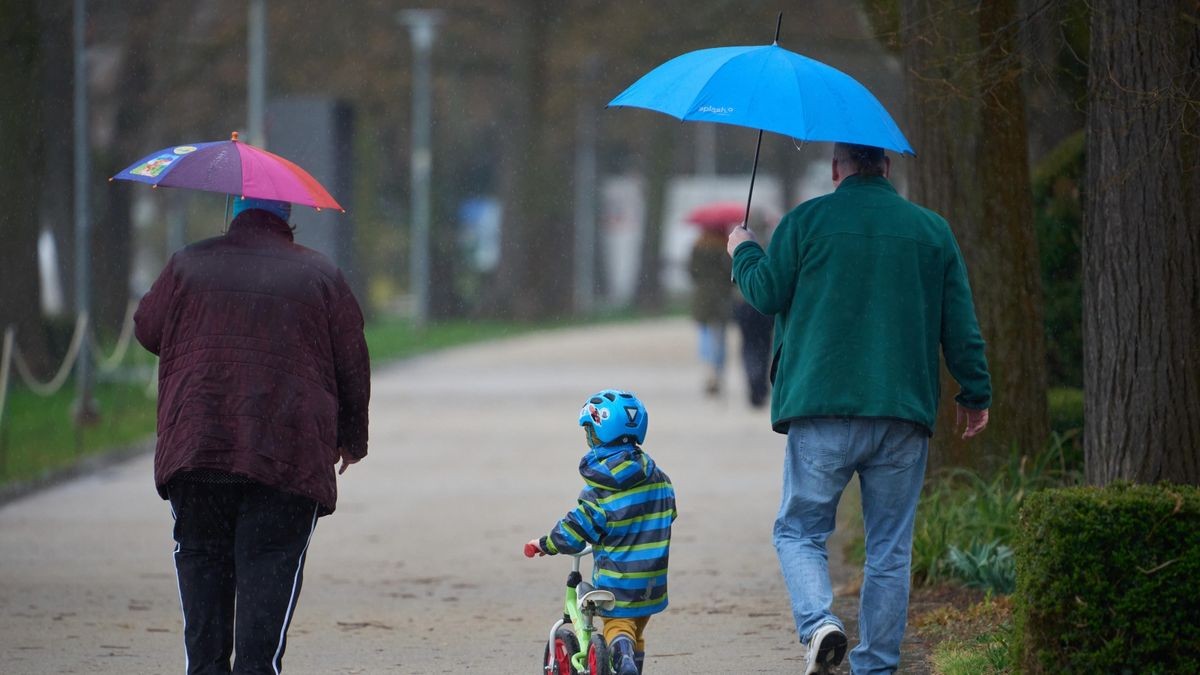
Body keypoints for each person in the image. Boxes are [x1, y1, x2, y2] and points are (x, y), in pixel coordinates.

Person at [726, 142, 991, 675]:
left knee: (799, 531)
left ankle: (819, 623)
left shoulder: (805, 222)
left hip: (822, 407)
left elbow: (765, 294)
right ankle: (877, 665)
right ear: (887, 167)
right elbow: (958, 322)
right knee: (889, 549)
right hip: (902, 410)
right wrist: (974, 390)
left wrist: (744, 249)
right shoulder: (932, 230)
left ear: (835, 169)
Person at [134, 196, 370, 675]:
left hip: (198, 453)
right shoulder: (320, 275)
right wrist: (351, 438)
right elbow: (352, 364)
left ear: (234, 212)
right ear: (289, 218)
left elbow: (147, 329)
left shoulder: (187, 264)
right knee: (268, 589)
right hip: (286, 461)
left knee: (202, 573)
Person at [524, 389, 677, 675]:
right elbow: (670, 514)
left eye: (590, 432)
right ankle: (629, 660)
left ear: (600, 435)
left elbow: (573, 531)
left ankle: (622, 657)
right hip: (652, 585)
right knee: (635, 630)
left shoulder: (600, 493)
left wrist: (545, 543)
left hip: (618, 582)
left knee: (617, 627)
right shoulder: (660, 481)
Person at [688, 226, 733, 396]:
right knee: (720, 335)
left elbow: (692, 272)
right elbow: (730, 273)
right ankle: (718, 369)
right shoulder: (725, 246)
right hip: (721, 296)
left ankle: (708, 369)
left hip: (703, 297)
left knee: (705, 334)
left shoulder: (698, 247)